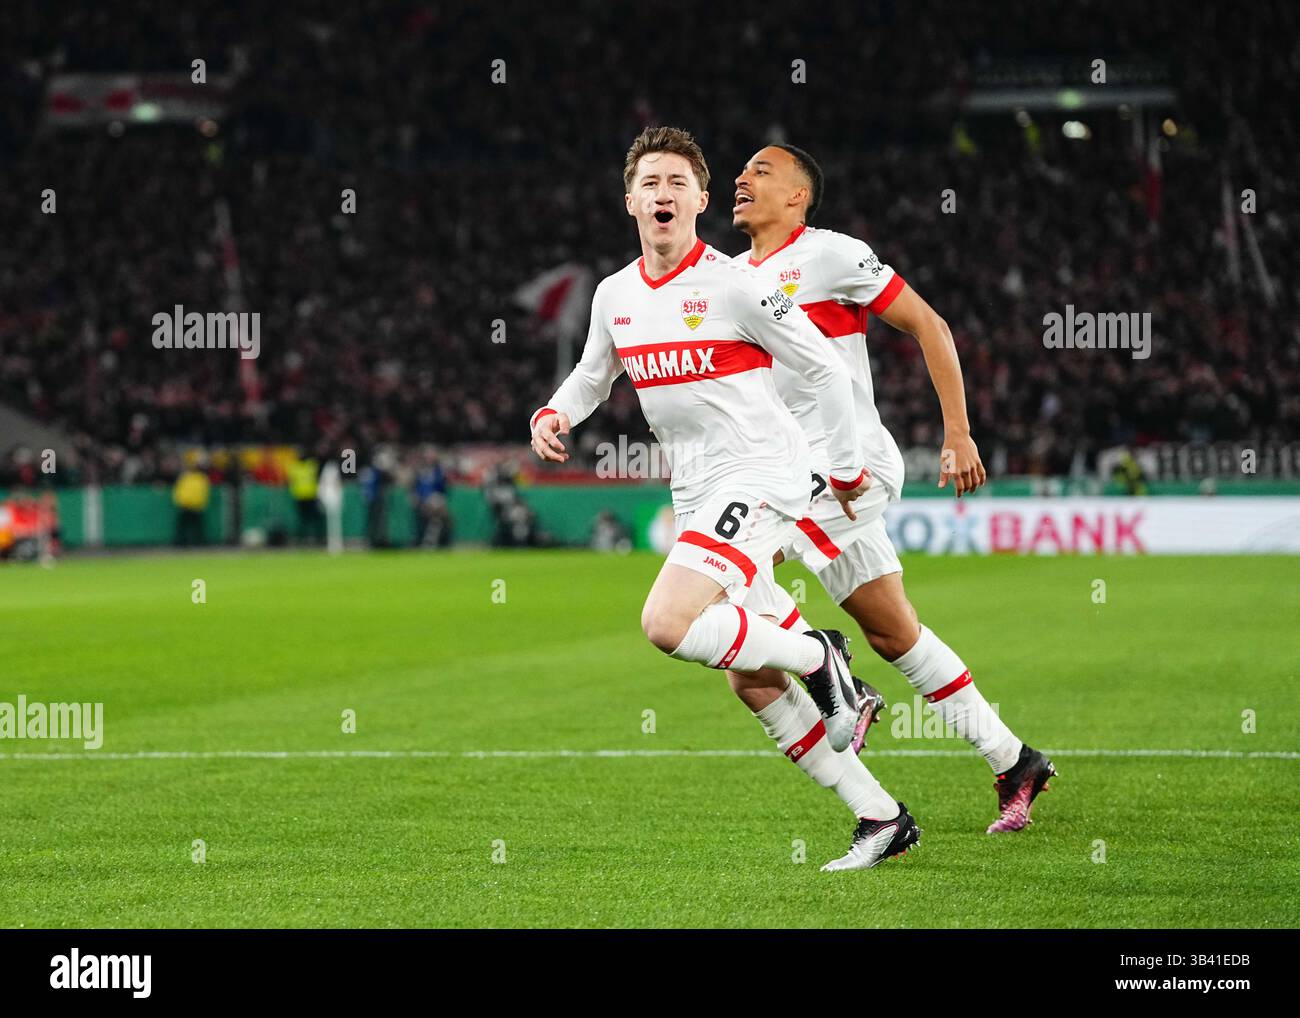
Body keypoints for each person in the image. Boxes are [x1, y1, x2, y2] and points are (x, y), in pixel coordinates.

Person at [529, 127, 918, 870]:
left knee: (666, 621)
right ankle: (880, 816)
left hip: (760, 474)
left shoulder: (736, 284)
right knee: (750, 678)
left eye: (678, 182)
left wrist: (843, 469)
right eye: (650, 182)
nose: (663, 194)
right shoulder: (614, 294)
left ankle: (821, 654)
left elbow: (824, 368)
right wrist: (555, 412)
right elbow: (593, 374)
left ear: (701, 200)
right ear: (630, 201)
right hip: (697, 487)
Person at [733, 142, 1056, 833]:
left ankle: (831, 675)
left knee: (727, 573)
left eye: (761, 170)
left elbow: (929, 324)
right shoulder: (732, 278)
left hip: (848, 469)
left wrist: (958, 431)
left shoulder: (832, 255)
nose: (741, 178)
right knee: (893, 632)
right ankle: (1015, 760)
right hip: (792, 476)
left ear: (798, 195)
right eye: (743, 170)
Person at [172, 460, 210, 547]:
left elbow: (204, 492)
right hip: (186, 505)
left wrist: (201, 503)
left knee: (197, 526)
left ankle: (198, 542)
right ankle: (181, 542)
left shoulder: (201, 478)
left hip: (196, 506)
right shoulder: (185, 477)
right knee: (184, 526)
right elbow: (178, 491)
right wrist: (180, 502)